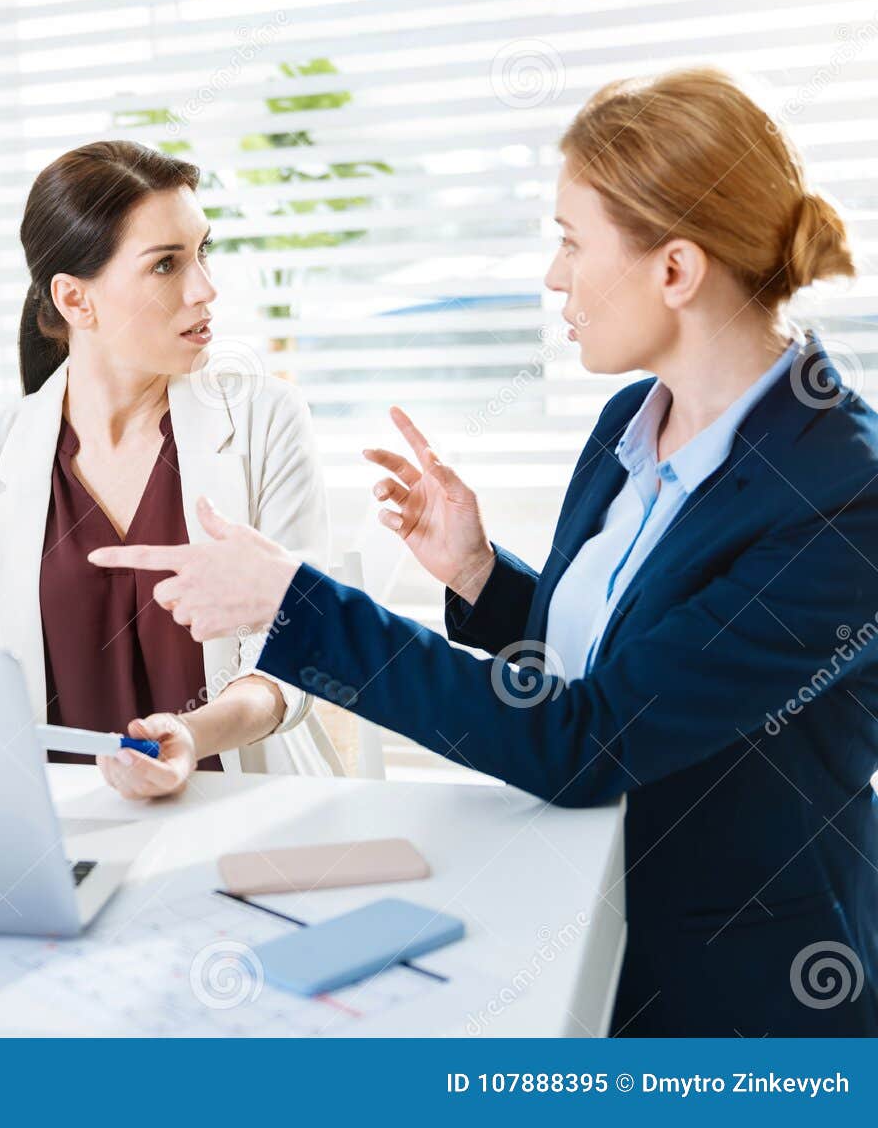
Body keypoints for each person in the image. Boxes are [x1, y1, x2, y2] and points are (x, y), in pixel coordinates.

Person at [92, 68, 878, 1036]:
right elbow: (622, 667)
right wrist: (480, 577)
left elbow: (590, 744)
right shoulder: (633, 419)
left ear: (674, 270)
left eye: (569, 241)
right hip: (589, 920)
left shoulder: (846, 499)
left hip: (743, 986)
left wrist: (295, 603)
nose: (553, 276)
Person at [0, 140, 339, 796]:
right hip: (61, 823)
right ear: (75, 300)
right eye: (166, 265)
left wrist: (196, 735)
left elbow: (300, 648)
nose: (205, 288)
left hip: (240, 807)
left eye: (204, 252)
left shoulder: (266, 420)